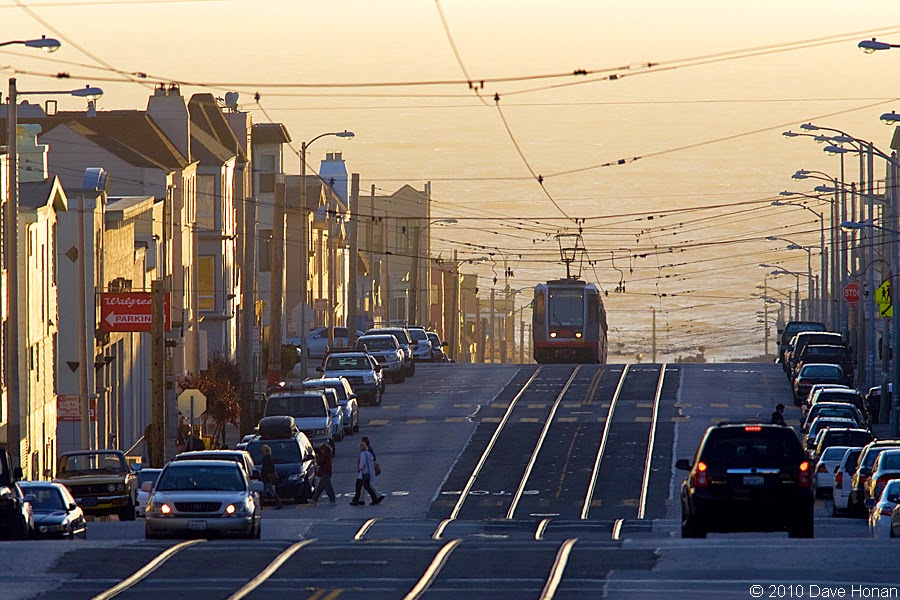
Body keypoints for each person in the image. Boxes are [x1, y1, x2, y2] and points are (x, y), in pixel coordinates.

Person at [350, 441, 383, 506]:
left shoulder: (363, 454)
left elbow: (362, 462)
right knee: (368, 487)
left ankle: (356, 501)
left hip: (362, 474)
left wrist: (360, 468)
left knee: (358, 488)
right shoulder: (369, 454)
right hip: (367, 473)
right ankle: (374, 499)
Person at [259, 444, 284, 509]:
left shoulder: (266, 458)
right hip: (267, 477)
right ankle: (260, 505)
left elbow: (266, 468)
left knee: (270, 491)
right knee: (264, 491)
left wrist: (263, 474)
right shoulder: (270, 457)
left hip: (266, 477)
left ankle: (279, 504)